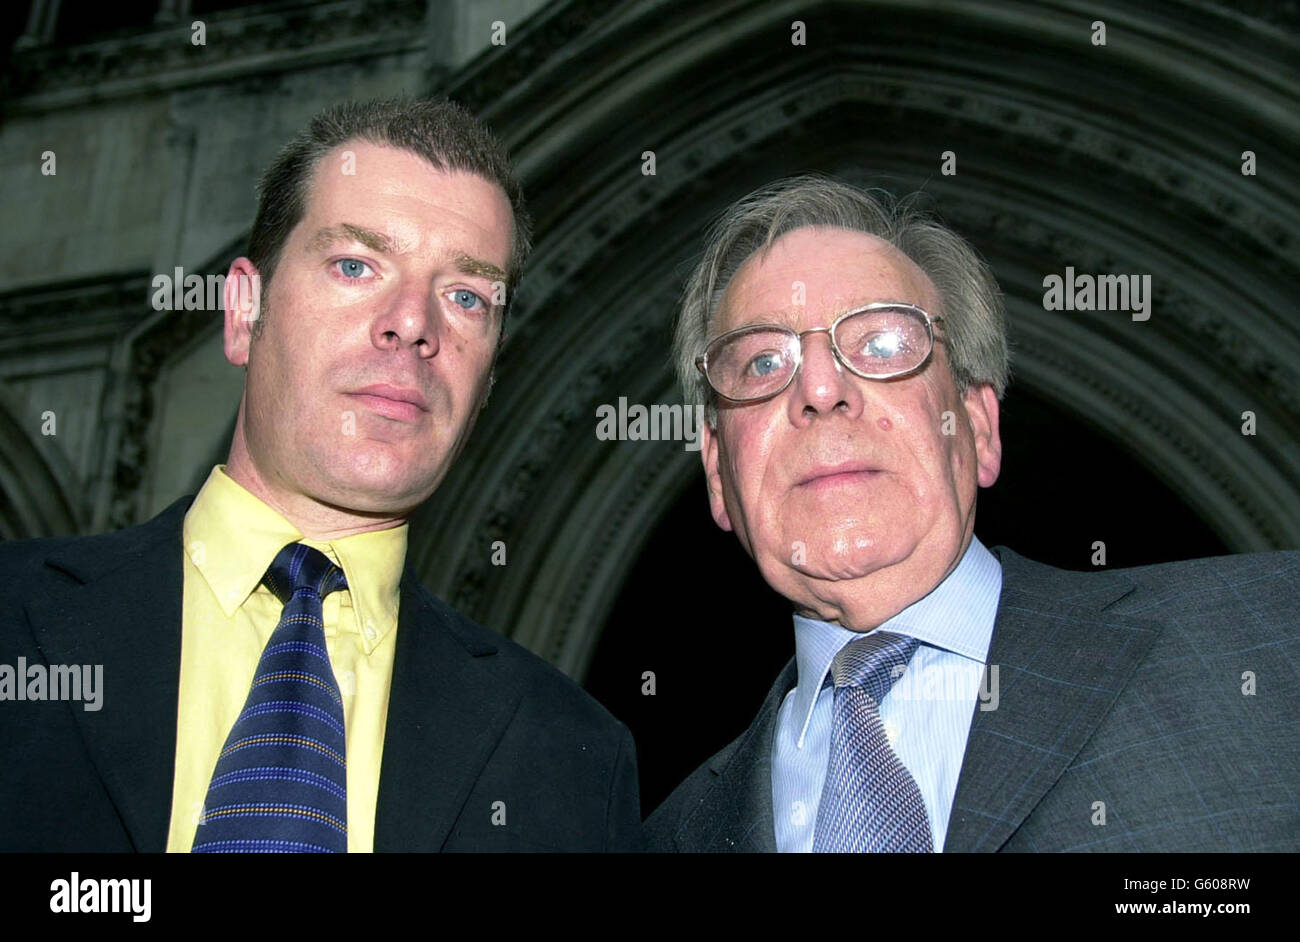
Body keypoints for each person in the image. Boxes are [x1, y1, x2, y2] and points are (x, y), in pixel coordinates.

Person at [0, 98, 641, 853]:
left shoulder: (575, 757)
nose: (413, 322)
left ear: (491, 373)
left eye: (466, 296)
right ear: (244, 311)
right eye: (355, 265)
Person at [644, 174, 1298, 853]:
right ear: (719, 474)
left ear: (979, 428)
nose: (818, 387)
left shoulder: (1272, 640)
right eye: (761, 362)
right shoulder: (664, 837)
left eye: (883, 345)